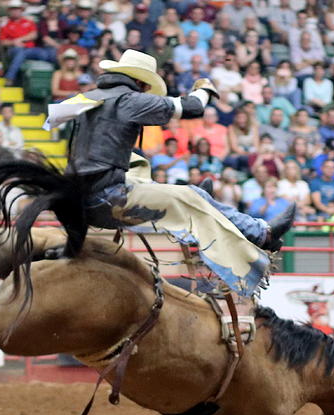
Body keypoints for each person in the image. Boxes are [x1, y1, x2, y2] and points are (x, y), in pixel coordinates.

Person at [46, 50, 291, 282]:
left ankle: (200, 200)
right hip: (105, 199)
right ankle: (261, 233)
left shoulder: (88, 98)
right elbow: (193, 107)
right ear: (140, 82)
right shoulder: (131, 100)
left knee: (137, 166)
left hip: (75, 198)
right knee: (190, 195)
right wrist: (205, 90)